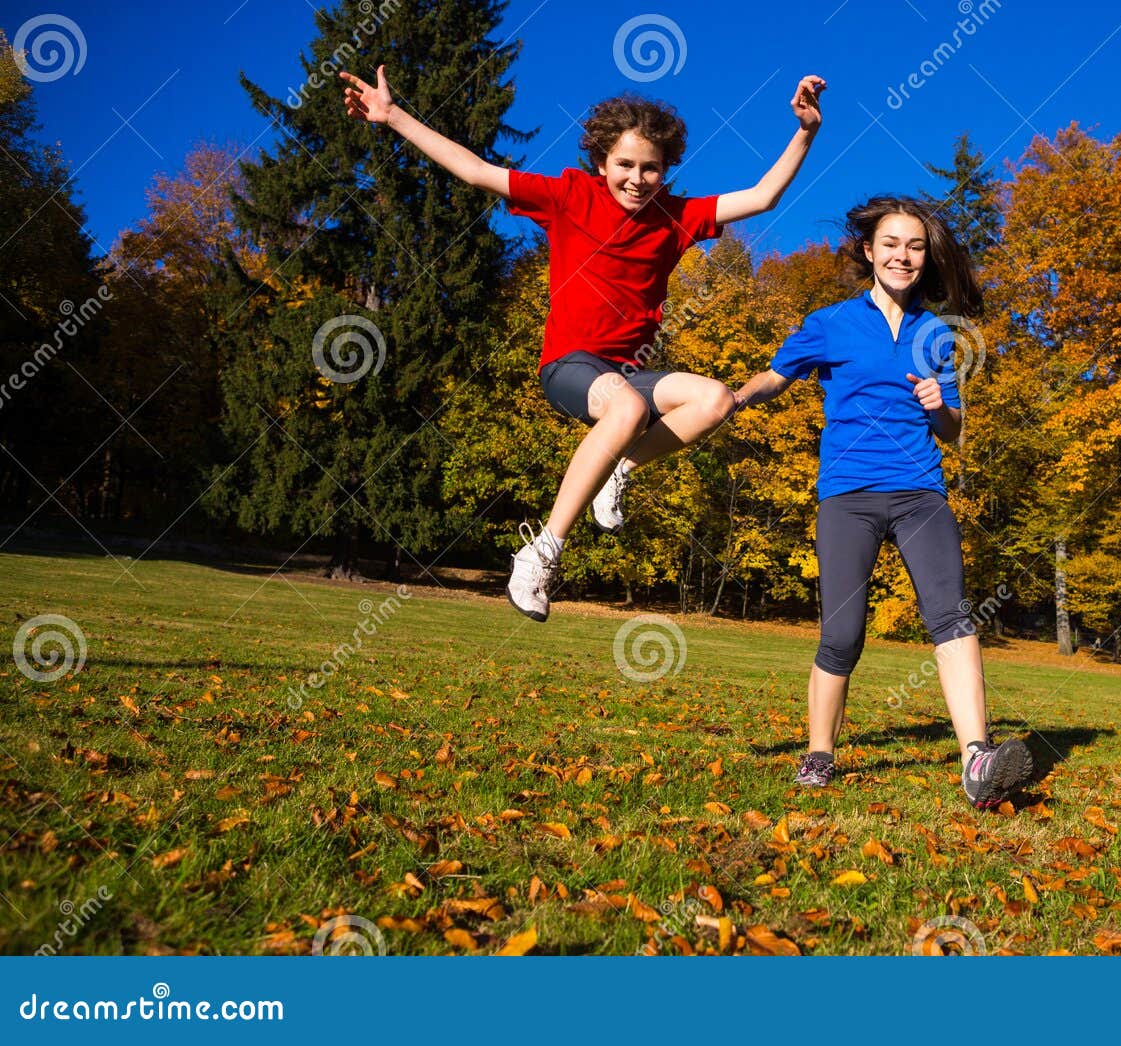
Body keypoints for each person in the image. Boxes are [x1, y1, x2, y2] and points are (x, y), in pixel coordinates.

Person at [340, 65, 826, 621]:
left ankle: (618, 468)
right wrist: (392, 115)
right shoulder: (569, 195)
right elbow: (474, 170)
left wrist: (805, 131)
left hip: (628, 371)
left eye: (651, 168)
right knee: (623, 405)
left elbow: (762, 197)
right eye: (624, 165)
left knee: (717, 398)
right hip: (570, 364)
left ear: (667, 171)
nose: (637, 179)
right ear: (601, 163)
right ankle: (542, 551)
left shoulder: (676, 217)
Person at [733, 196, 1032, 810]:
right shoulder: (830, 323)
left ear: (925, 258)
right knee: (843, 631)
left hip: (921, 490)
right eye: (891, 244)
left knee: (952, 617)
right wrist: (732, 399)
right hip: (848, 496)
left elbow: (951, 430)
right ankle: (819, 753)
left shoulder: (934, 334)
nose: (904, 255)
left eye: (915, 246)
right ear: (868, 252)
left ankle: (976, 757)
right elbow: (774, 376)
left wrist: (938, 405)